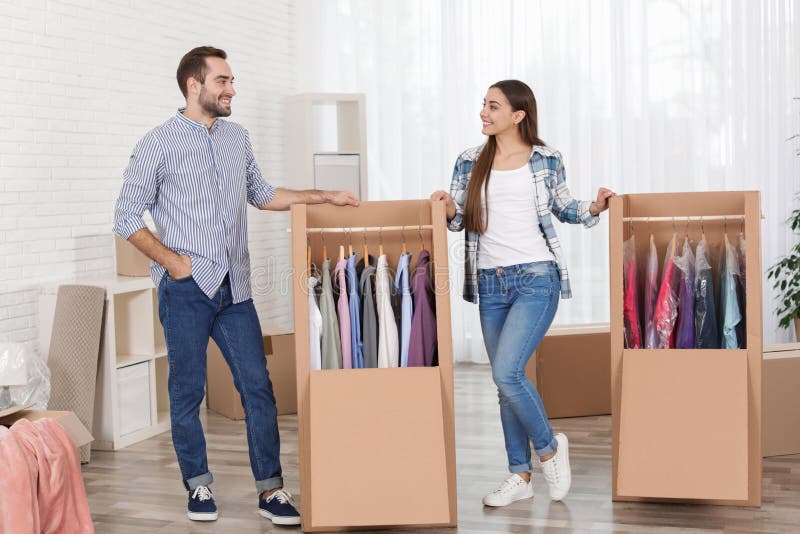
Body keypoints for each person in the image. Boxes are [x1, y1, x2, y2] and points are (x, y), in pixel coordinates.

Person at [113, 46, 358, 525]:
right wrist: (171, 262)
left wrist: (323, 194)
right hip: (185, 289)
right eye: (223, 80)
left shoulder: (237, 138)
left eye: (231, 80)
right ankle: (198, 486)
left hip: (235, 289)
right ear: (193, 85)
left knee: (257, 389)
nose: (232, 89)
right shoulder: (157, 143)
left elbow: (262, 195)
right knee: (187, 391)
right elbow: (125, 217)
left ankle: (271, 492)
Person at [430, 80, 614, 507]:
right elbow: (458, 219)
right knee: (504, 383)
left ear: (518, 115)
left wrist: (595, 207)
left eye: (492, 106)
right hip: (490, 282)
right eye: (482, 104)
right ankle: (520, 476)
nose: (482, 112)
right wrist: (446, 206)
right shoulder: (469, 160)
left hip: (536, 278)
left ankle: (549, 448)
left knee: (506, 372)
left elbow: (564, 207)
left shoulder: (546, 159)